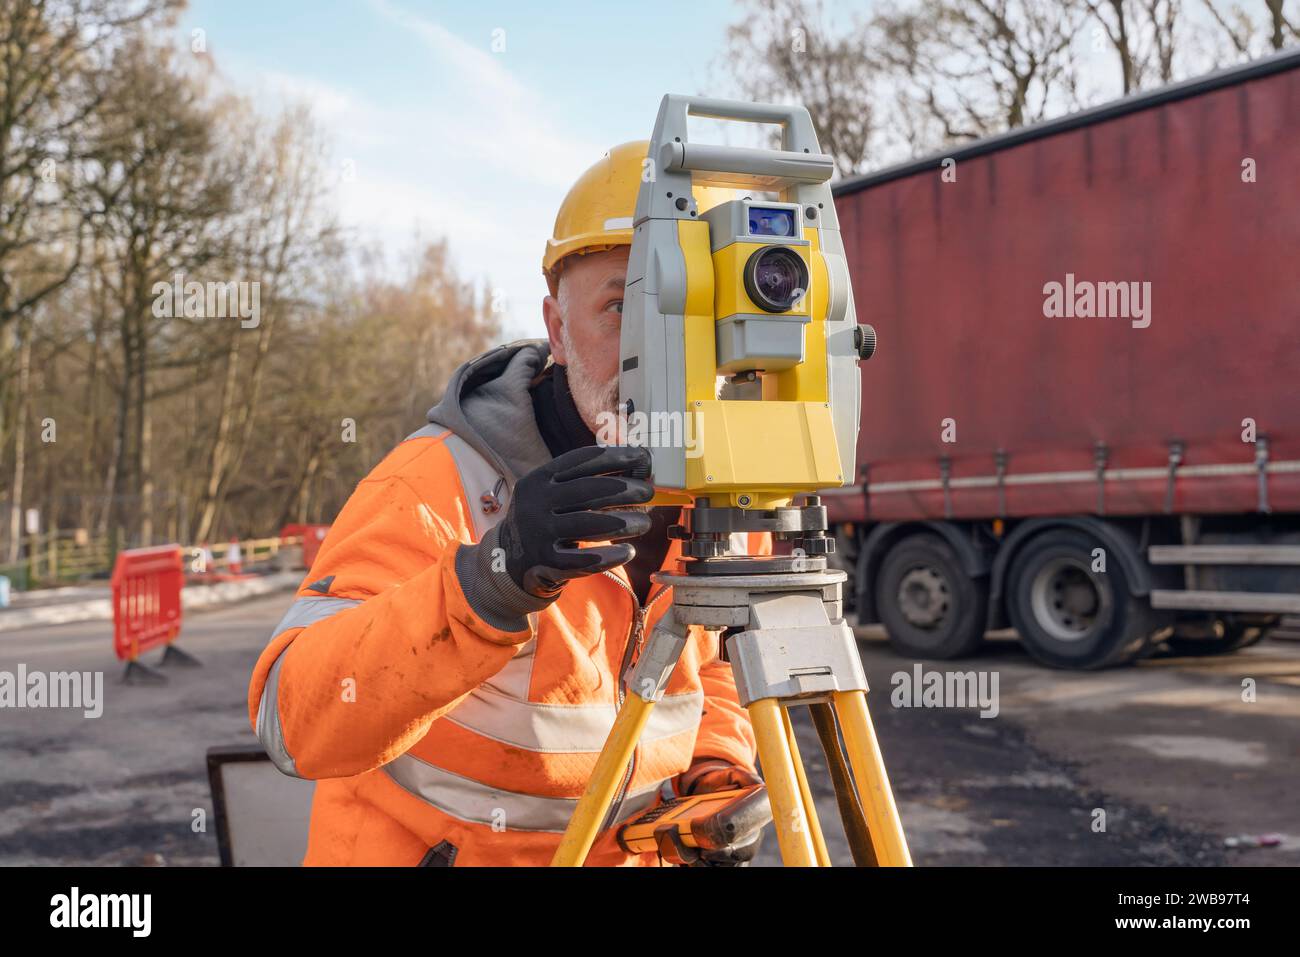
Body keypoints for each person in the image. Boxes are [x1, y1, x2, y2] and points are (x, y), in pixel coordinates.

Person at [248, 141, 768, 866]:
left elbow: (711, 667)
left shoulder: (725, 494)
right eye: (622, 306)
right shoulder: (436, 484)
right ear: (557, 329)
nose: (662, 347)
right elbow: (292, 718)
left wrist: (714, 771)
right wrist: (487, 581)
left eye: (690, 308)